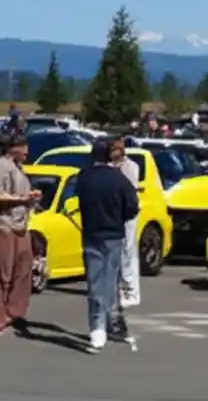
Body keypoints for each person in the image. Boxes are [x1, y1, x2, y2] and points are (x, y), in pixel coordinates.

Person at [77, 140, 140, 352]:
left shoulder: (84, 177)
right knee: (110, 279)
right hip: (114, 234)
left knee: (94, 281)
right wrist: (120, 217)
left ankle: (97, 328)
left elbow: (78, 201)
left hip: (92, 233)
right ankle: (110, 321)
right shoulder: (119, 179)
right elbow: (132, 206)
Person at [0, 133, 40, 334]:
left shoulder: (17, 167)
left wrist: (30, 198)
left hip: (21, 225)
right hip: (3, 225)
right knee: (2, 272)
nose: (27, 152)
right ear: (12, 147)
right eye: (23, 148)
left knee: (23, 267)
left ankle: (14, 311)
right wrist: (23, 198)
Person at [106, 138, 141, 308]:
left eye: (115, 148)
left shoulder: (131, 167)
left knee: (128, 250)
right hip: (113, 214)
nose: (113, 152)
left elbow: (129, 191)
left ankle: (131, 290)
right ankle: (118, 286)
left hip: (127, 213)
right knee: (117, 250)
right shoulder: (108, 167)